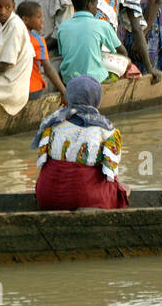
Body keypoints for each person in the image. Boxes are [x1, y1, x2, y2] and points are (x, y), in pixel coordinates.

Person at [33, 76, 129, 211]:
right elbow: (110, 172)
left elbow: (44, 162)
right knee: (122, 186)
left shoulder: (51, 124)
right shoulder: (107, 132)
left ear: (68, 97)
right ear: (97, 100)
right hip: (87, 199)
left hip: (47, 197)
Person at [57, 0, 138, 85]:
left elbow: (64, 54)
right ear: (89, 5)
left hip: (68, 79)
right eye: (96, 4)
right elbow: (122, 52)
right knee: (121, 66)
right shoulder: (102, 25)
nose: (96, 8)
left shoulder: (63, 26)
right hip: (95, 79)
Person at [17, 0, 67, 103]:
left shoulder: (11, 36)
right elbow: (48, 69)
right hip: (31, 91)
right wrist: (64, 92)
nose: (42, 21)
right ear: (25, 20)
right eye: (39, 17)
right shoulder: (37, 40)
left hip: (13, 89)